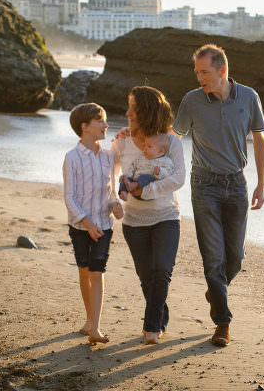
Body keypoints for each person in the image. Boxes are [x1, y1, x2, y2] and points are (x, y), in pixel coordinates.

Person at [172, 44, 264, 347]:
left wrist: (261, 184)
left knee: (235, 259)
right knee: (213, 258)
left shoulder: (249, 98)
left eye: (205, 72)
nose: (200, 78)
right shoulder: (192, 101)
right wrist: (137, 143)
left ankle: (216, 290)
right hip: (204, 186)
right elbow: (172, 138)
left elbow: (259, 138)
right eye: (197, 72)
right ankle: (222, 322)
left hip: (237, 184)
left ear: (222, 70)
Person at [112, 86, 185, 345]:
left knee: (162, 270)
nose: (127, 112)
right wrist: (114, 199)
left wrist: (147, 190)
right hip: (134, 221)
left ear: (145, 111)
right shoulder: (121, 140)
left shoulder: (171, 141)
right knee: (147, 276)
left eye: (132, 108)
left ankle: (152, 327)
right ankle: (160, 315)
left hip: (166, 216)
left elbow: (179, 178)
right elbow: (110, 171)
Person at [62, 102, 123, 344]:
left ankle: (95, 327)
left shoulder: (109, 157)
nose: (105, 125)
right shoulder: (72, 158)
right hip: (79, 226)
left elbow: (112, 189)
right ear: (84, 127)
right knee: (84, 271)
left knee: (97, 273)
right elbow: (69, 197)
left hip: (104, 226)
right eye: (100, 120)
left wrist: (116, 205)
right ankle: (88, 320)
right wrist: (86, 223)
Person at [118, 133, 176, 201]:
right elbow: (132, 168)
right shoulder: (141, 158)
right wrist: (127, 175)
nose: (145, 148)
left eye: (149, 146)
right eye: (144, 145)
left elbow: (169, 173)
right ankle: (123, 192)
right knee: (125, 178)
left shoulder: (165, 161)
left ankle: (133, 185)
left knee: (147, 177)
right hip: (134, 182)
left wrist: (160, 172)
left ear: (160, 151)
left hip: (146, 188)